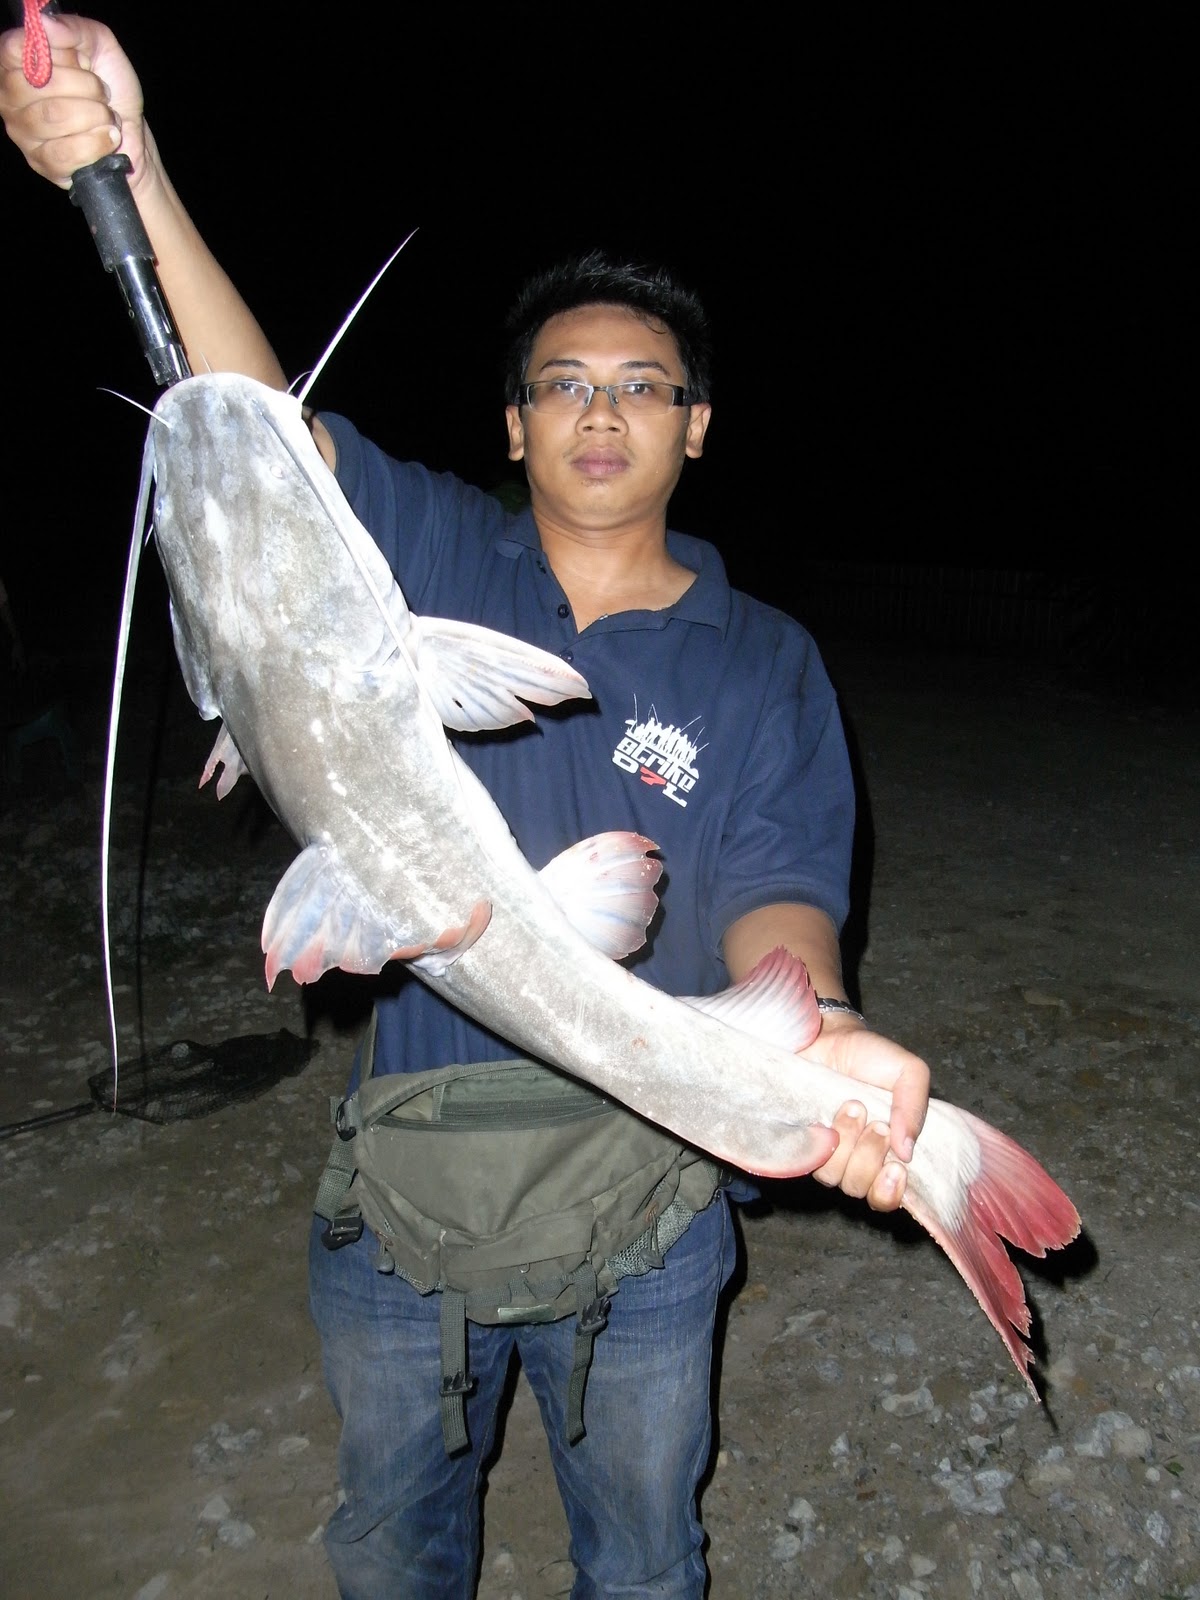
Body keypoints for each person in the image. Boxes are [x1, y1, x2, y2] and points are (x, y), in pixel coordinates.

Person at [1, 18, 931, 1598]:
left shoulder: (766, 659)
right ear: (512, 425)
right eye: (560, 386)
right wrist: (131, 168)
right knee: (391, 1545)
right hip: (409, 1197)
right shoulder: (423, 557)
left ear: (696, 425)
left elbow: (780, 887)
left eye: (643, 388)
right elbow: (253, 422)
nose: (599, 412)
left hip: (649, 1205)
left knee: (643, 1561)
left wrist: (816, 1023)